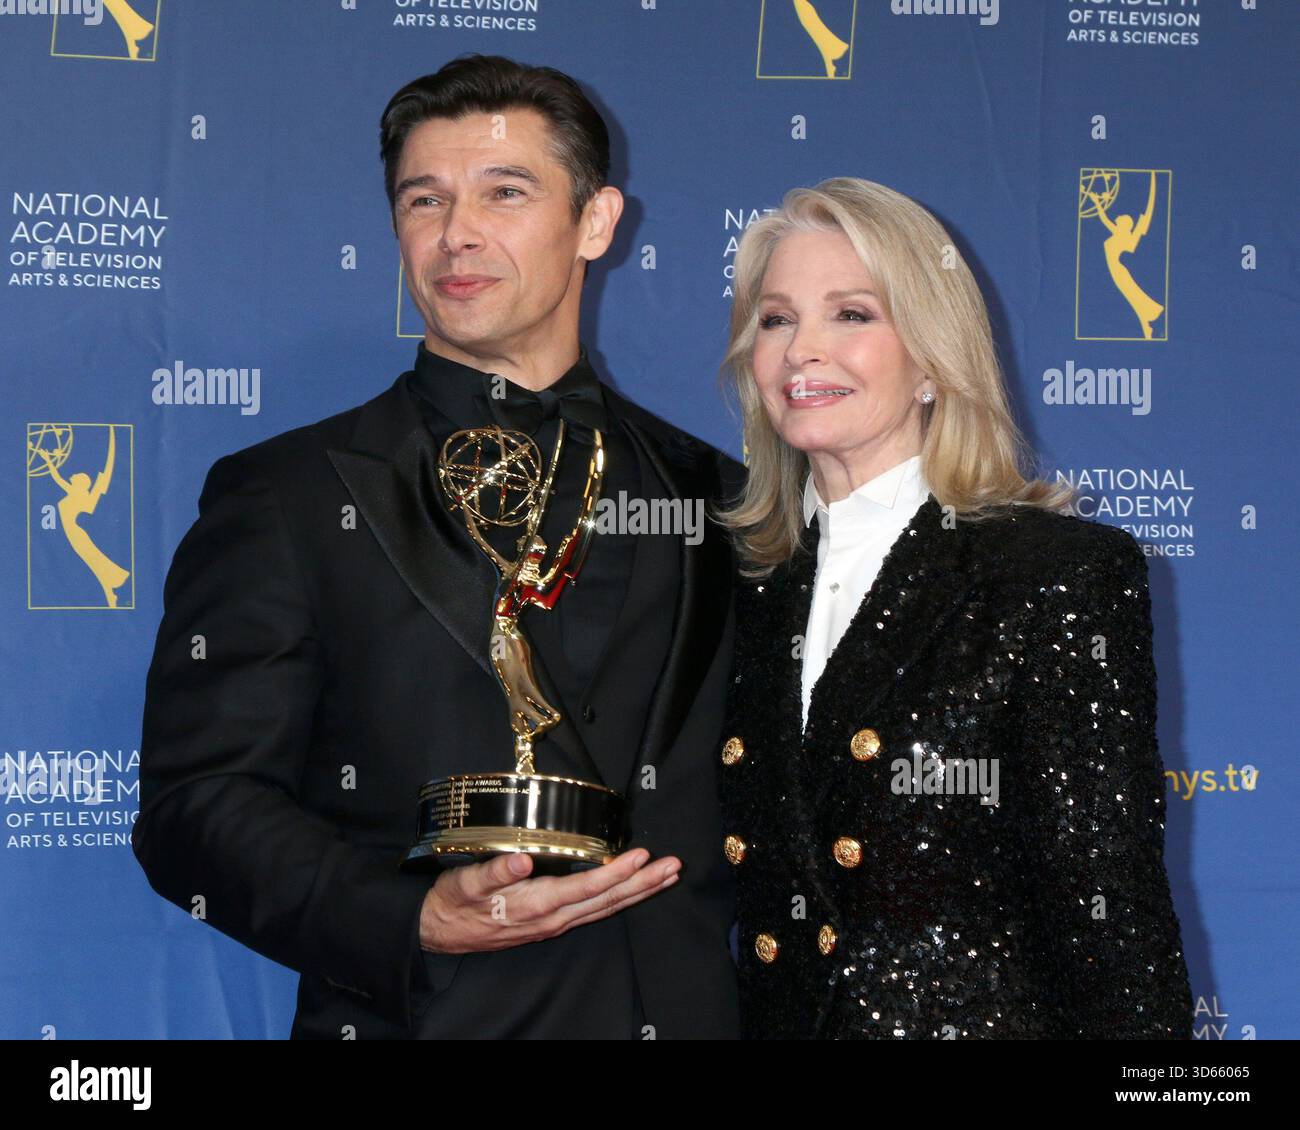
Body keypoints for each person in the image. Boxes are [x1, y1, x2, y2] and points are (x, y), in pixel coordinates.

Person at [132, 54, 743, 1040]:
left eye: (505, 192)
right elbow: (195, 807)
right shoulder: (288, 495)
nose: (458, 232)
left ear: (595, 222)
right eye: (425, 199)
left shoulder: (719, 495)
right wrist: (410, 919)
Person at [714, 177, 1192, 1039]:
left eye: (851, 315)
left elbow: (1110, 919)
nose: (802, 350)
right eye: (776, 319)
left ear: (933, 360)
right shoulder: (743, 586)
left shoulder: (1053, 574)